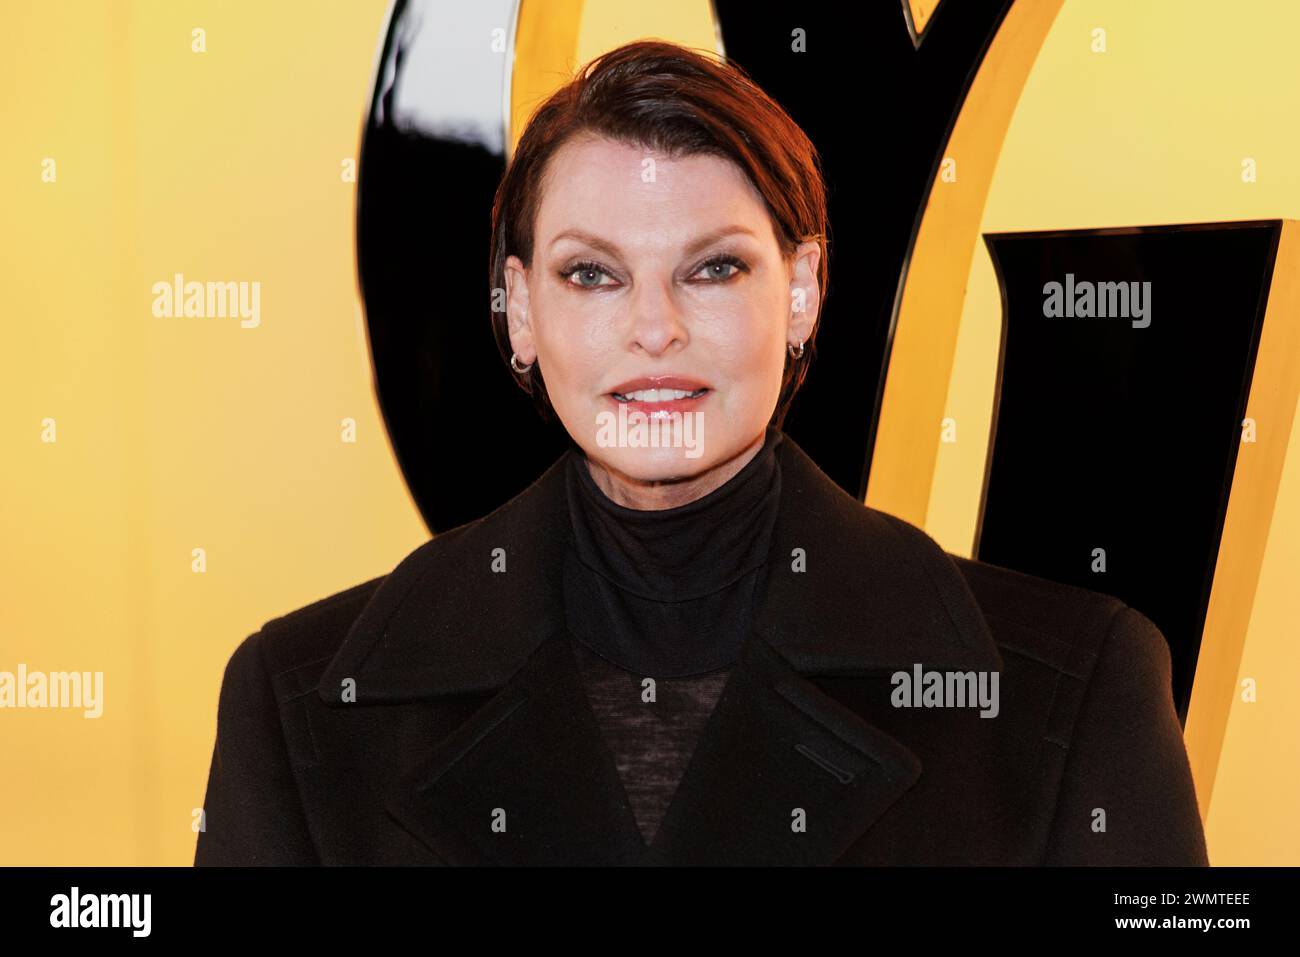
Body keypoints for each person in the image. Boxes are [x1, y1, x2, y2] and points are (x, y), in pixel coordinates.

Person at [195, 39, 1209, 866]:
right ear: (518, 314)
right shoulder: (304, 702)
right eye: (591, 274)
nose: (654, 328)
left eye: (714, 267)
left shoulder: (1070, 686)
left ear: (803, 291)